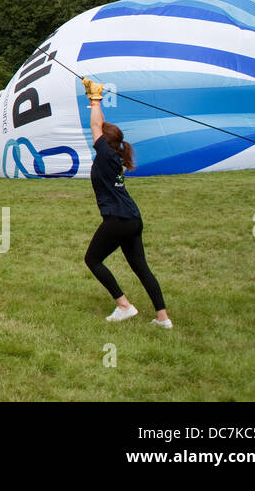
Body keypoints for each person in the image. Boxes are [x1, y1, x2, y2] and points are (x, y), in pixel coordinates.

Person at [81, 77, 172, 328]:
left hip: (118, 219)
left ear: (105, 142)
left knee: (93, 260)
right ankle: (162, 318)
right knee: (141, 268)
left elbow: (96, 127)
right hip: (132, 218)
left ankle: (124, 305)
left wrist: (95, 100)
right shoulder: (114, 156)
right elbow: (100, 129)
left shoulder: (107, 155)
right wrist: (94, 102)